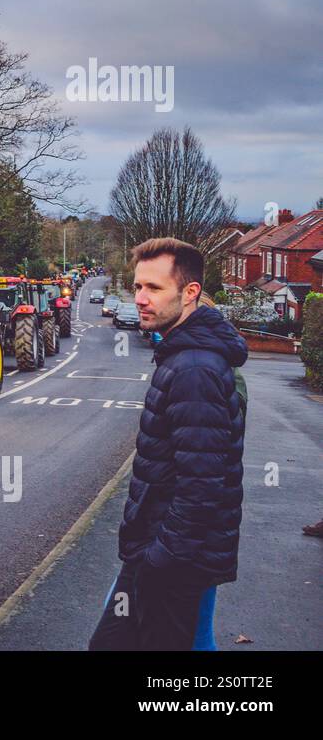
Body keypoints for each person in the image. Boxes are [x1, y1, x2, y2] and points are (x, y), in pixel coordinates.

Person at [88, 238, 248, 651]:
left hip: (172, 560)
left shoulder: (194, 368)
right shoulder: (182, 355)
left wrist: (161, 560)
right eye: (138, 286)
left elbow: (203, 485)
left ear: (190, 292)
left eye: (154, 289)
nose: (140, 298)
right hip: (160, 550)